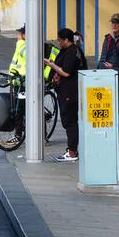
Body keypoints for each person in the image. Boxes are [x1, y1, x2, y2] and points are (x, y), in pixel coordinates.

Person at [45, 28, 86, 161]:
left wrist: (51, 65)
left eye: (60, 40)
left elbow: (66, 72)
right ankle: (71, 150)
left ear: (66, 40)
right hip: (65, 90)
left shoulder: (72, 52)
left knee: (70, 121)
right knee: (68, 120)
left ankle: (72, 152)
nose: (58, 42)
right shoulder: (68, 51)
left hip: (70, 91)